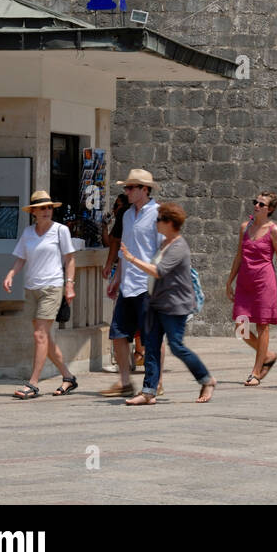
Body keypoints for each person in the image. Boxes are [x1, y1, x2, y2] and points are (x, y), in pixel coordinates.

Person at [120, 202, 215, 405]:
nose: (156, 223)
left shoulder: (179, 247)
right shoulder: (165, 243)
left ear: (170, 223)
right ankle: (148, 392)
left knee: (177, 346)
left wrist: (131, 259)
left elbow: (158, 271)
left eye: (159, 220)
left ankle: (207, 380)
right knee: (151, 346)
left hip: (175, 306)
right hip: (157, 303)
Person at [3, 191, 78, 398]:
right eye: (42, 208)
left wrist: (69, 285)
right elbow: (21, 258)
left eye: (49, 207)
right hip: (31, 289)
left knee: (40, 335)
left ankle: (33, 383)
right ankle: (68, 377)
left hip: (52, 287)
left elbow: (70, 259)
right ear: (33, 212)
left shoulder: (60, 230)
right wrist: (11, 274)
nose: (46, 211)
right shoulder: (28, 232)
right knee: (45, 338)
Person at [101, 169, 160, 398]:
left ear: (144, 189)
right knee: (117, 333)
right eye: (126, 187)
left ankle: (152, 385)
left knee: (150, 338)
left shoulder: (158, 214)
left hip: (148, 285)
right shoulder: (126, 215)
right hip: (127, 284)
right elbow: (124, 251)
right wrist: (117, 278)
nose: (126, 191)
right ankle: (125, 381)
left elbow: (164, 251)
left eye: (130, 187)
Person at [225, 191, 277, 386]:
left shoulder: (274, 230)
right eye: (256, 202)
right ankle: (267, 355)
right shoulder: (245, 227)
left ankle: (256, 372)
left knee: (262, 326)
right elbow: (239, 255)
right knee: (240, 327)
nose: (256, 206)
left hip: (264, 283)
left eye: (261, 204)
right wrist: (229, 281)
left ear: (270, 209)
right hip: (244, 283)